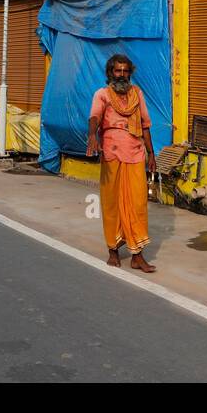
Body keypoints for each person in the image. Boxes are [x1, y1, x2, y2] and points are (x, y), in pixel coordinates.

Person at [87, 54, 157, 273]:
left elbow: (145, 125)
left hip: (135, 152)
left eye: (126, 71)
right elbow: (95, 118)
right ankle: (113, 251)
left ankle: (137, 255)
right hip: (112, 152)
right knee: (112, 202)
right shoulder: (102, 94)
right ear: (110, 73)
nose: (122, 75)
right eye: (118, 71)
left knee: (138, 203)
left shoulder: (137, 94)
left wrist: (151, 153)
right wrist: (92, 135)